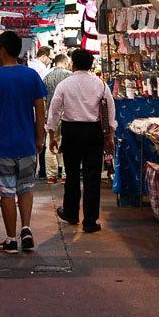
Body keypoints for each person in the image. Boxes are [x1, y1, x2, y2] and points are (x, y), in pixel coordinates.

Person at [0, 30, 48, 254]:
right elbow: (40, 109)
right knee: (25, 188)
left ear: (3, 50)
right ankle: (26, 229)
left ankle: (10, 239)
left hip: (2, 144)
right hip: (27, 143)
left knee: (6, 192)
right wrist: (39, 137)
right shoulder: (31, 76)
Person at [47, 49, 116, 233]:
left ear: (73, 64)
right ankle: (90, 221)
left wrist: (52, 135)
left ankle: (71, 212)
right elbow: (109, 109)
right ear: (91, 64)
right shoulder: (100, 84)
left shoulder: (65, 85)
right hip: (93, 132)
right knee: (92, 177)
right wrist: (110, 135)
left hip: (71, 132)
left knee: (72, 175)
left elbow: (53, 110)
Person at [43, 54, 73, 184]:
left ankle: (51, 176)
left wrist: (45, 115)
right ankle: (66, 175)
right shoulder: (70, 76)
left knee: (51, 144)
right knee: (67, 144)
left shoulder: (47, 77)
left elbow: (43, 99)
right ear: (65, 63)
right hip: (67, 115)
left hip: (51, 114)